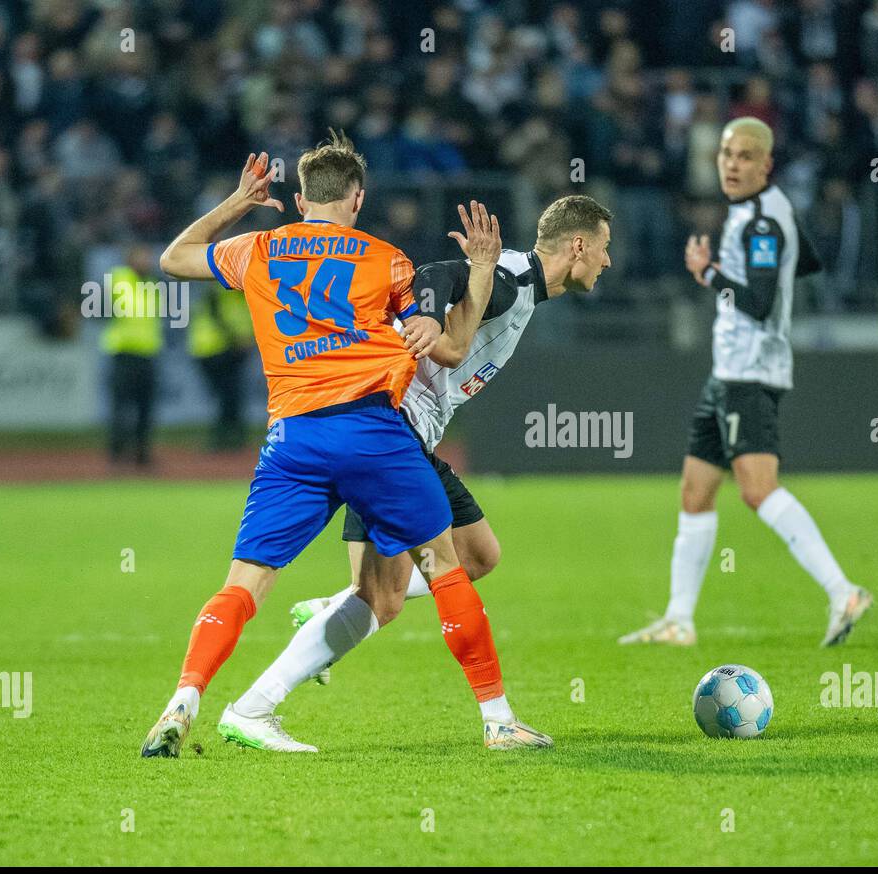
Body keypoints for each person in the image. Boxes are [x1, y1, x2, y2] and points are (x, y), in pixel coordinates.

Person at [140, 131, 550, 757]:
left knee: (244, 584)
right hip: (371, 433)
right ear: (357, 199)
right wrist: (483, 269)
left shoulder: (258, 249)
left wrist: (239, 201)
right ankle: (498, 721)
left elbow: (174, 257)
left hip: (291, 440)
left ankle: (183, 699)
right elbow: (454, 348)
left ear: (301, 199)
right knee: (444, 565)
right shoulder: (387, 261)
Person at [220, 194, 613, 751]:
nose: (607, 261)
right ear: (578, 246)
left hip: (404, 433)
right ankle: (495, 721)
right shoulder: (512, 279)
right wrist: (427, 312)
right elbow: (437, 273)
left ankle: (314, 631)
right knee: (389, 594)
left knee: (476, 557)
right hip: (389, 434)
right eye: (603, 248)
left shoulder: (521, 288)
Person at [615, 117, 872, 649]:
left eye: (745, 156)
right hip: (729, 370)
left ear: (766, 164)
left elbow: (756, 304)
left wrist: (709, 274)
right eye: (727, 153)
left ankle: (842, 590)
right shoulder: (771, 211)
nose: (732, 164)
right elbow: (810, 260)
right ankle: (679, 620)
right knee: (696, 490)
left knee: (756, 491)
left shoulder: (758, 223)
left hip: (751, 370)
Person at [102, 244, 163, 469]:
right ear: (130, 259)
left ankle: (142, 456)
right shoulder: (118, 279)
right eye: (141, 256)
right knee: (121, 408)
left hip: (148, 353)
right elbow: (101, 306)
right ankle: (116, 456)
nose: (146, 261)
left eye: (147, 256)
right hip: (124, 353)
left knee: (146, 409)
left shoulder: (153, 283)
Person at [188, 285, 255, 449]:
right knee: (229, 394)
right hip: (214, 349)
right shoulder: (221, 290)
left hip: (227, 350)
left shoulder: (243, 295)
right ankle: (226, 437)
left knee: (231, 395)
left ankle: (230, 437)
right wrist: (237, 339)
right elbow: (217, 316)